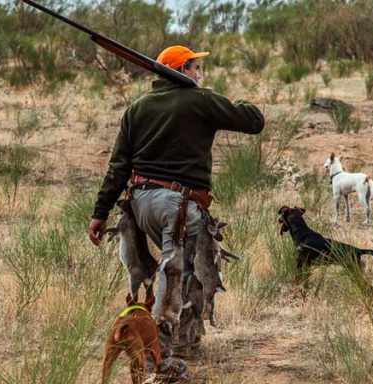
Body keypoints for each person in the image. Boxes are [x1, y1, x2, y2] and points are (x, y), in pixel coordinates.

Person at [87, 45, 264, 358]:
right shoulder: (200, 100)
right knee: (187, 273)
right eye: (196, 68)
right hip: (177, 206)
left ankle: (176, 342)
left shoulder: (137, 107)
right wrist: (210, 94)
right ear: (183, 70)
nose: (200, 73)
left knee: (179, 270)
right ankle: (168, 350)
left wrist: (99, 214)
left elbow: (118, 167)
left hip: (140, 205)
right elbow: (254, 120)